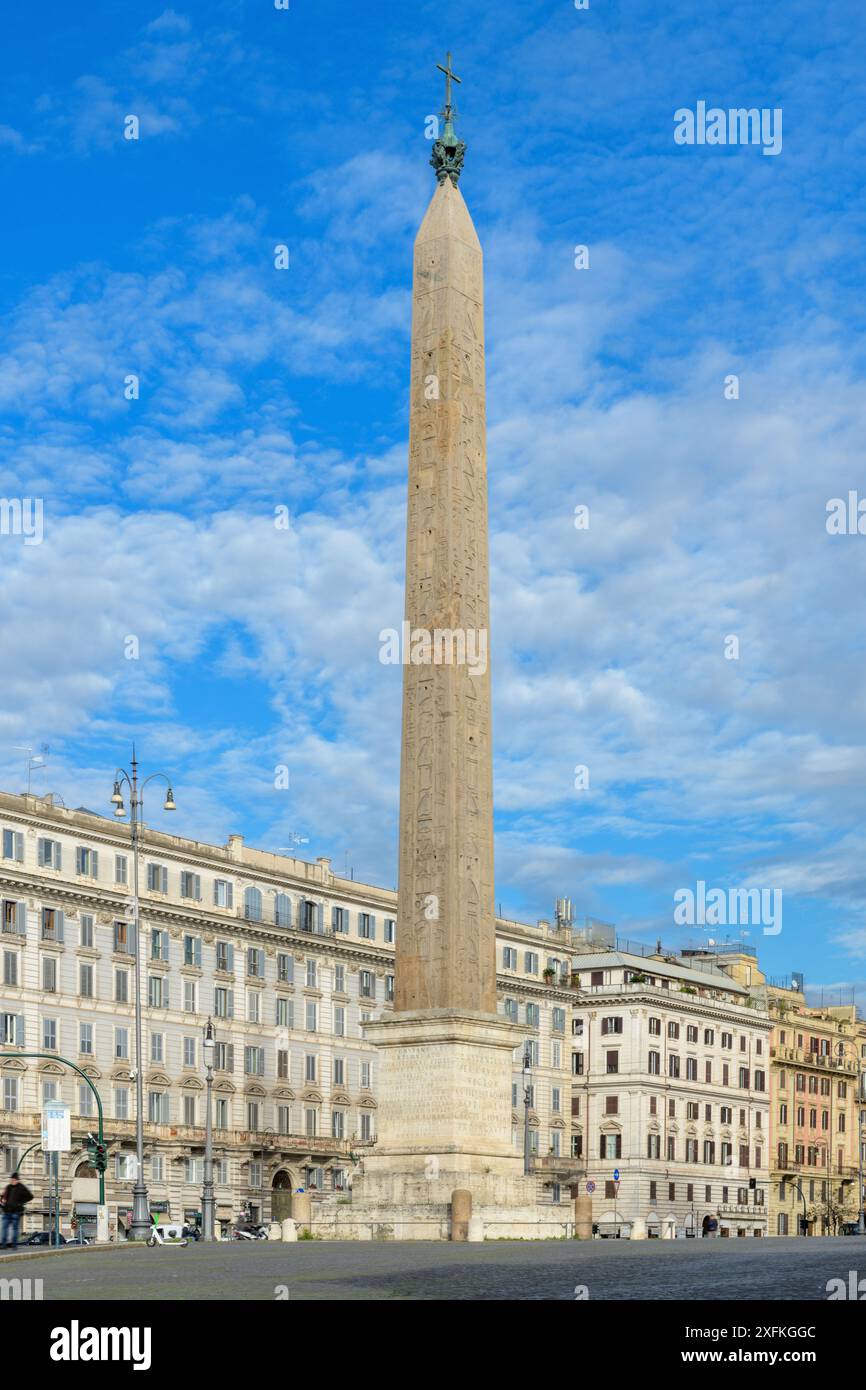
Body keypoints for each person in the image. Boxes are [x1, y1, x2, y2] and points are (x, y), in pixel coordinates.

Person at [0, 1172, 34, 1250]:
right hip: (7, 1211)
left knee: (15, 1229)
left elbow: (30, 1196)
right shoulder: (8, 1187)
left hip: (16, 1212)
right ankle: (4, 1245)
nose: (12, 1181)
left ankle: (14, 1245)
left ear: (17, 1180)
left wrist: (21, 1203)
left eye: (14, 1180)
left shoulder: (22, 1187)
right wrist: (2, 1199)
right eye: (11, 1179)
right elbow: (3, 1196)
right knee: (4, 1228)